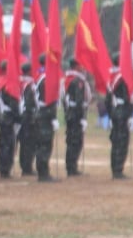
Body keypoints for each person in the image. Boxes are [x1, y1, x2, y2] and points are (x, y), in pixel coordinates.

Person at [106, 54, 132, 179]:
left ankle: (115, 168)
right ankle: (118, 169)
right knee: (121, 141)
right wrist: (130, 113)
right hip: (122, 111)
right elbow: (127, 98)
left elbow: (107, 99)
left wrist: (110, 114)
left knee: (116, 140)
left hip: (115, 111)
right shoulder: (122, 78)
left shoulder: (111, 77)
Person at [34, 54, 59, 182]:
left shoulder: (39, 76)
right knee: (44, 145)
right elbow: (47, 99)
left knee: (42, 144)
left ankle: (42, 171)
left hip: (41, 114)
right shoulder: (45, 80)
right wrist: (52, 117)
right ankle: (43, 173)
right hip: (45, 115)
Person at [63, 59, 90, 176]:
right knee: (76, 141)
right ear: (77, 66)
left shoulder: (67, 79)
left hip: (69, 113)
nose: (83, 67)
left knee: (71, 140)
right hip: (76, 114)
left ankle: (70, 166)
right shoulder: (77, 81)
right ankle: (72, 167)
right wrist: (82, 118)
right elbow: (79, 101)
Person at [0, 60, 21, 179]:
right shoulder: (9, 84)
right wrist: (18, 119)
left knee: (3, 143)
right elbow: (14, 104)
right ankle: (5, 169)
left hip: (3, 116)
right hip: (9, 117)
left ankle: (3, 167)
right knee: (8, 144)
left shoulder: (1, 81)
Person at [18, 63, 38, 176]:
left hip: (20, 116)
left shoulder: (19, 82)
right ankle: (27, 167)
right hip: (28, 117)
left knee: (23, 143)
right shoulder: (30, 85)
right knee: (29, 143)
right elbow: (31, 102)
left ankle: (24, 165)